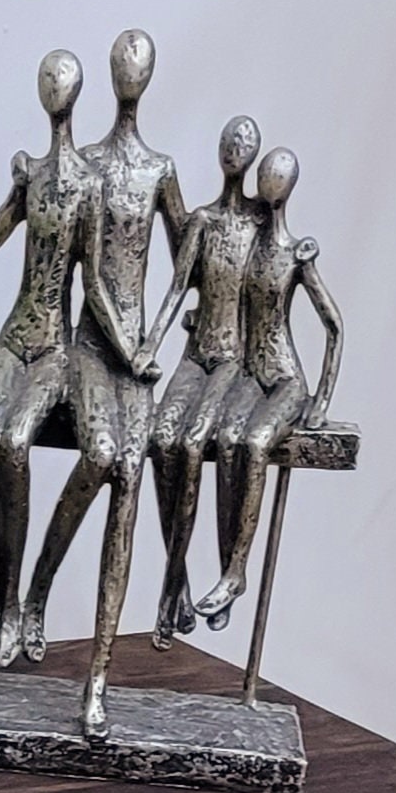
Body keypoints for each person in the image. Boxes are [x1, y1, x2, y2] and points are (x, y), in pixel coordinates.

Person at [17, 29, 189, 736]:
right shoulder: (84, 166)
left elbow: (189, 260)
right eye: (121, 64)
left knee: (129, 493)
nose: (128, 75)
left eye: (136, 66)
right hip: (91, 347)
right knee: (101, 457)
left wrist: (167, 332)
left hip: (138, 357)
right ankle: (37, 589)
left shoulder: (160, 171)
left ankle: (98, 678)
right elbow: (81, 280)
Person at [0, 51, 129, 673]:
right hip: (13, 336)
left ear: (74, 94)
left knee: (13, 444)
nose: (52, 92)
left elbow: (95, 287)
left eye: (59, 84)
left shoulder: (89, 185)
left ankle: (15, 600)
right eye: (46, 83)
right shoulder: (29, 174)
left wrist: (130, 353)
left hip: (54, 349)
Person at [192, 144, 344, 628]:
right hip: (249, 376)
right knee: (226, 439)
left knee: (256, 443)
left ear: (286, 190)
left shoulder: (296, 254)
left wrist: (321, 400)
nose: (266, 187)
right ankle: (227, 575)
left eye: (275, 180)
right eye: (265, 178)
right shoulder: (246, 245)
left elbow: (334, 326)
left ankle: (235, 572)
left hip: (284, 379)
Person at [140, 114, 264, 648]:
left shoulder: (260, 224)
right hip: (196, 356)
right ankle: (179, 581)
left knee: (192, 444)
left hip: (234, 360)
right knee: (161, 438)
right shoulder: (202, 222)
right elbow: (176, 290)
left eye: (244, 144)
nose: (234, 150)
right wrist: (151, 344)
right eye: (228, 143)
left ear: (253, 155)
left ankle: (193, 583)